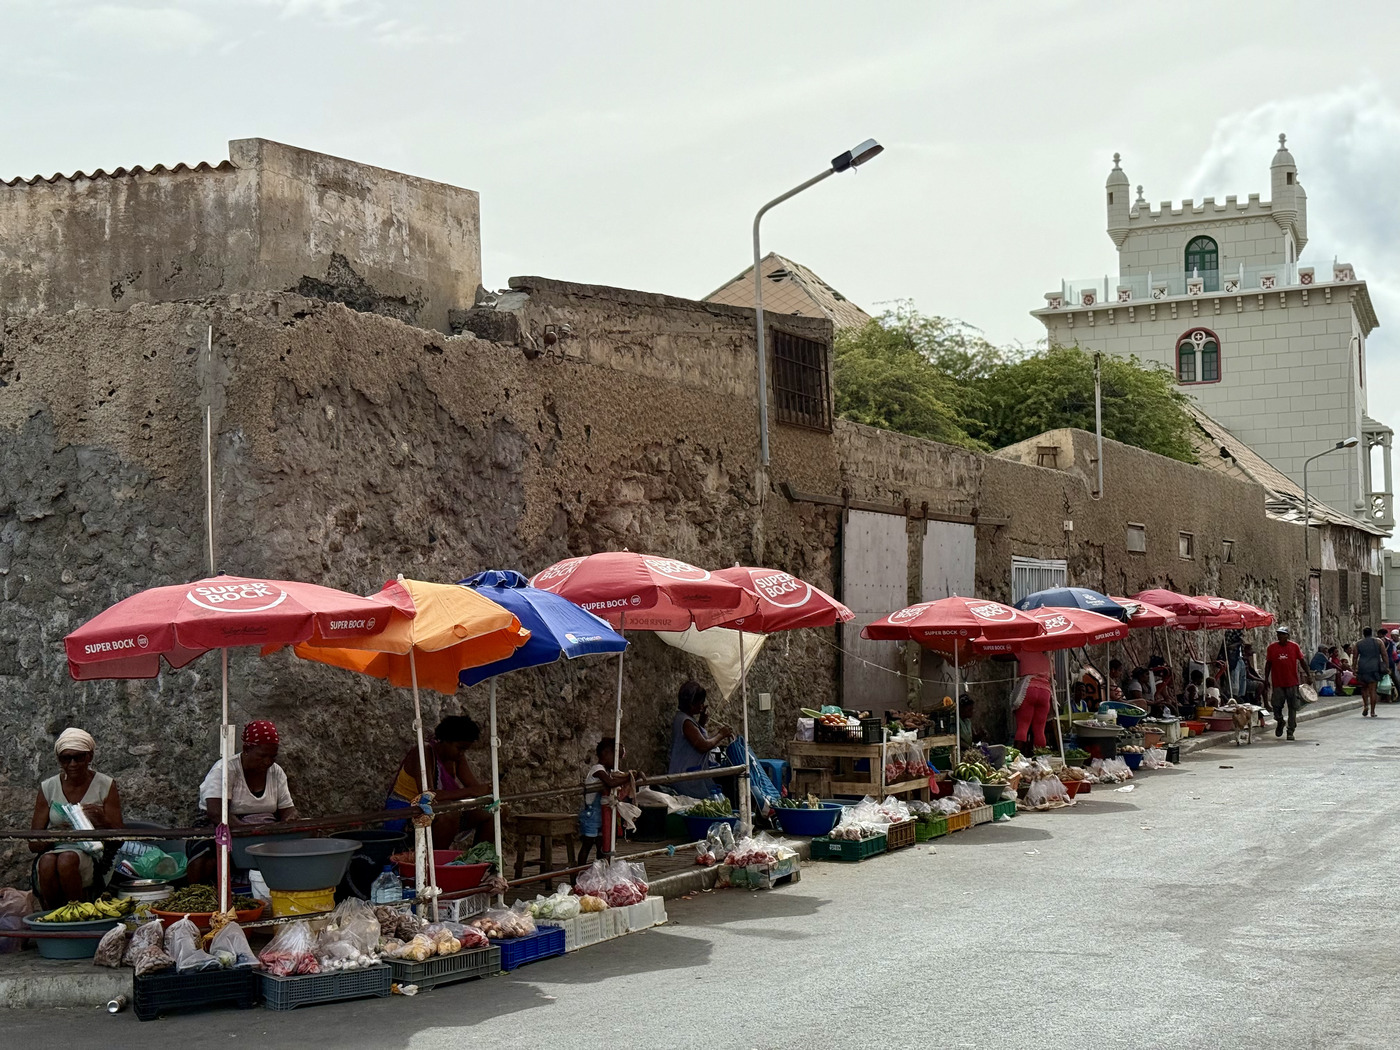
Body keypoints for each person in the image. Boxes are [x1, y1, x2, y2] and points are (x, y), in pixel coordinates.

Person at [187, 721, 299, 884]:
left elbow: (287, 810)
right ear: (246, 750)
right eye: (262, 756)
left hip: (263, 826)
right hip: (221, 824)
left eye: (273, 756)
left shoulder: (276, 772)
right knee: (207, 851)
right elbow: (216, 812)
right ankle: (202, 893)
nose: (268, 762)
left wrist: (291, 818)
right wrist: (246, 834)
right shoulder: (225, 769)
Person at [28, 729, 123, 909]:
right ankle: (55, 914)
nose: (72, 764)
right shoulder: (48, 787)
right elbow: (33, 843)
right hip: (55, 848)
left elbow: (119, 838)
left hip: (92, 851)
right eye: (66, 759)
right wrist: (58, 833)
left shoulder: (105, 785)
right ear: (59, 760)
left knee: (67, 859)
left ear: (89, 757)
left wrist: (101, 820)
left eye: (78, 757)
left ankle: (78, 912)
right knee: (47, 862)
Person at [385, 715, 493, 848]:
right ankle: (437, 864)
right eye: (460, 748)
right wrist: (470, 792)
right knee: (448, 814)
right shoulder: (422, 754)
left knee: (494, 810)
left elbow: (475, 788)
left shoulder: (456, 758)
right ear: (445, 740)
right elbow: (428, 796)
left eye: (465, 749)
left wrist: (488, 790)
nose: (462, 753)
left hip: (438, 809)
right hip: (407, 810)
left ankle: (479, 861)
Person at [578, 738, 642, 866]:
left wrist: (635, 775)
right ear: (606, 753)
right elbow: (610, 783)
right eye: (616, 757)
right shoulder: (597, 769)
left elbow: (619, 777)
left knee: (602, 845)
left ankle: (600, 870)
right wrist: (630, 777)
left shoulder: (608, 771)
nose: (617, 762)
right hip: (591, 814)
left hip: (602, 813)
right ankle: (577, 873)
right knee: (587, 844)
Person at [667, 681, 734, 799]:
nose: (703, 706)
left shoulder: (688, 720)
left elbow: (697, 738)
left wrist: (702, 722)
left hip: (695, 775)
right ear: (692, 705)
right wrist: (721, 734)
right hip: (686, 779)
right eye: (701, 703)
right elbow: (702, 746)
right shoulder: (685, 722)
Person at [1263, 626, 1309, 740]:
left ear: (1287, 636)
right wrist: (1265, 679)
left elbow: (1302, 661)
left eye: (1282, 634)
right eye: (1278, 634)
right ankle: (1280, 720)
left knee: (1292, 707)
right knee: (1276, 705)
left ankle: (1290, 730)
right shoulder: (1272, 648)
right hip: (1278, 682)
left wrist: (1308, 675)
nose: (1280, 636)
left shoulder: (1294, 647)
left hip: (1292, 682)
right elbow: (1268, 664)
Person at [1013, 651, 1054, 753]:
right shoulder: (1049, 656)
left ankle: (1017, 758)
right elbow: (1052, 676)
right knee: (1040, 730)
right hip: (1045, 691)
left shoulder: (1024, 650)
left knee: (1023, 726)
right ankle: (1041, 759)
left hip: (1028, 688)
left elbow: (1000, 657)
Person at [1355, 627, 1385, 718]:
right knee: (1372, 690)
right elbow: (1384, 654)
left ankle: (1365, 706)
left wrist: (1353, 667)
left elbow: (1355, 657)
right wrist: (1386, 665)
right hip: (1374, 667)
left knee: (1364, 688)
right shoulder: (1379, 642)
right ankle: (1372, 711)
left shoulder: (1358, 643)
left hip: (1363, 667)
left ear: (1363, 634)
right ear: (1371, 633)